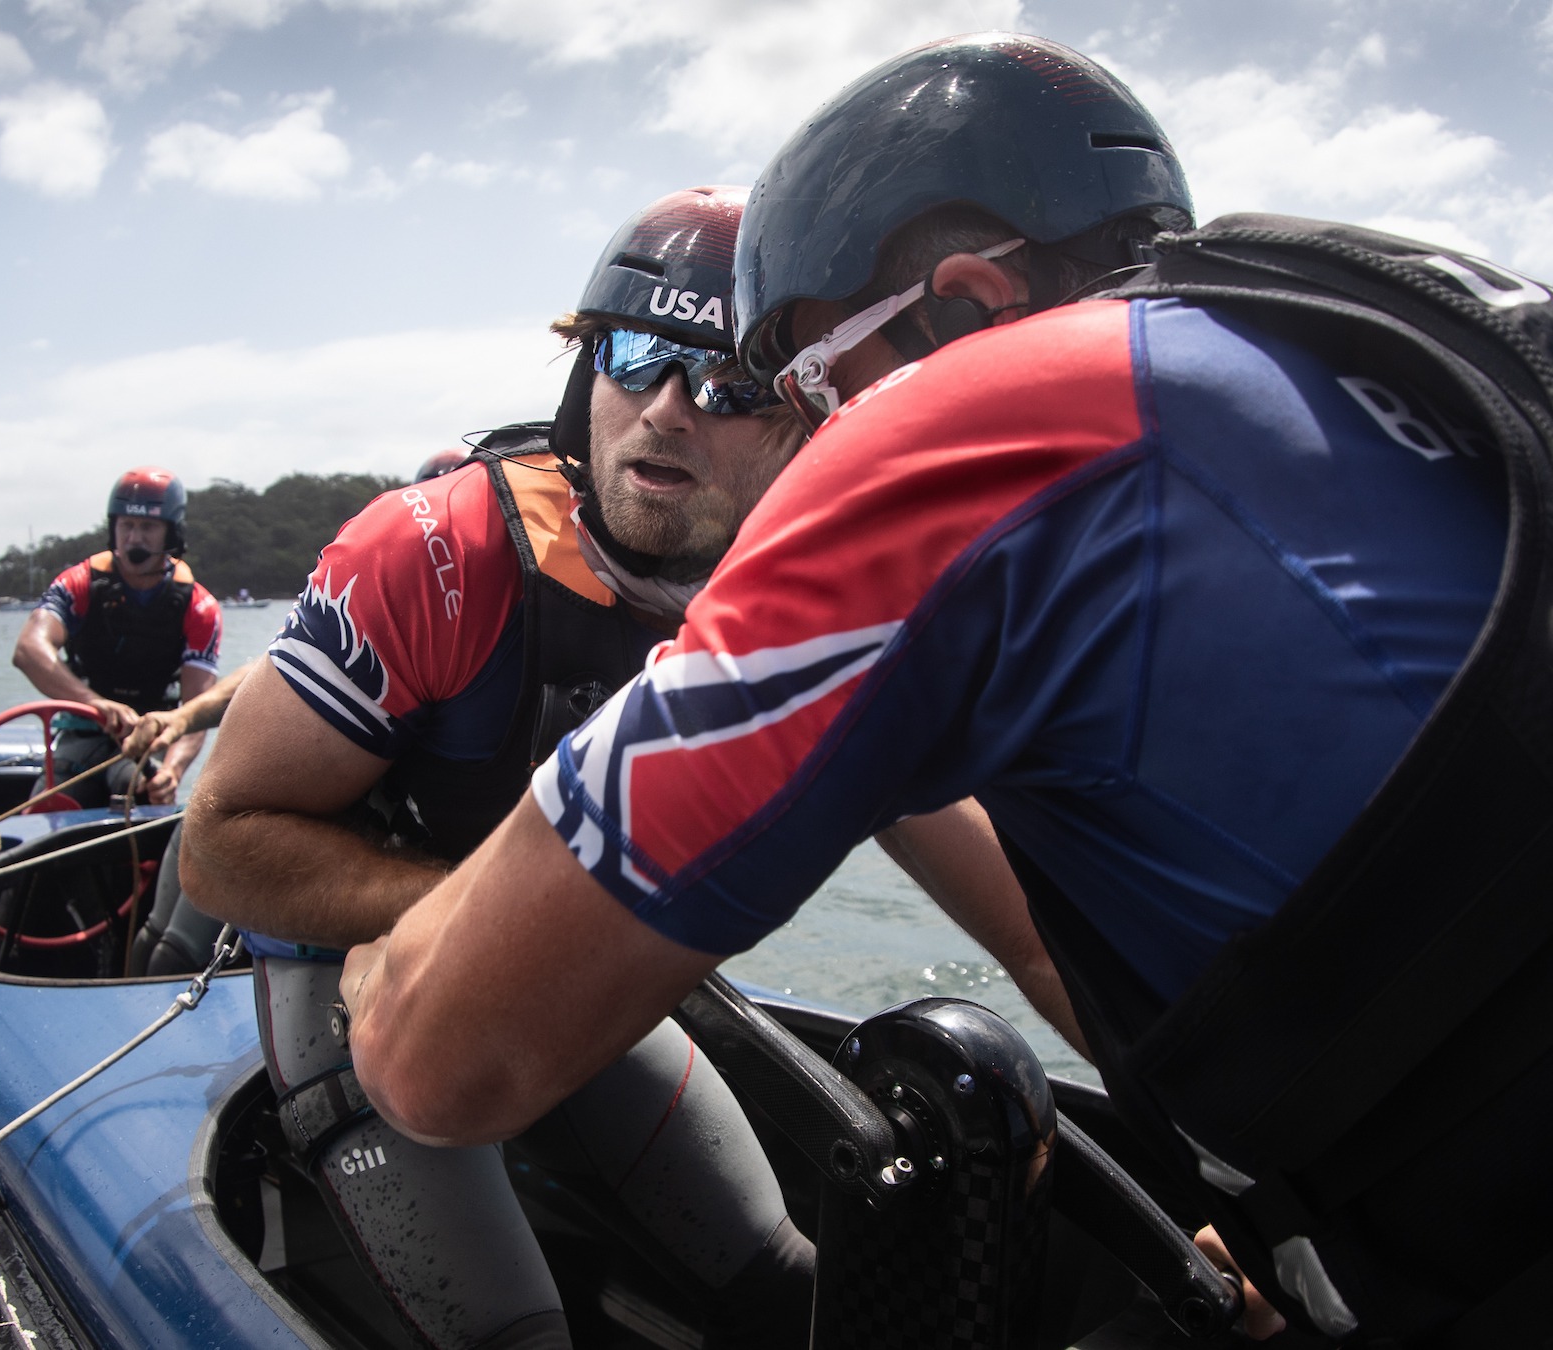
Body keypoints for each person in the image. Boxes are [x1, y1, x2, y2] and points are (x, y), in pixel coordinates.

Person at [342, 33, 1537, 1345]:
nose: (807, 440)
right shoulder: (1346, 341)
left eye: (797, 381)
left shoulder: (970, 420)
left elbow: (438, 1055)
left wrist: (376, 977)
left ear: (969, 303)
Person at [182, 186, 1077, 1350]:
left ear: (806, 417)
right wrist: (476, 907)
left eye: (728, 381)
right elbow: (219, 843)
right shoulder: (435, 554)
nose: (666, 410)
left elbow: (1028, 936)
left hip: (565, 949)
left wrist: (1266, 1177)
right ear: (582, 371)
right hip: (349, 973)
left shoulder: (819, 601)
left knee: (780, 1286)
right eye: (634, 354)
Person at [12, 467, 222, 807]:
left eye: (148, 527)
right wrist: (95, 703)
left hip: (144, 745)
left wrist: (173, 770)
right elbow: (28, 649)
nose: (134, 539)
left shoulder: (199, 608)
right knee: (48, 802)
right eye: (127, 525)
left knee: (143, 792)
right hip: (80, 737)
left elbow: (196, 708)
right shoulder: (78, 583)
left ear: (172, 533)